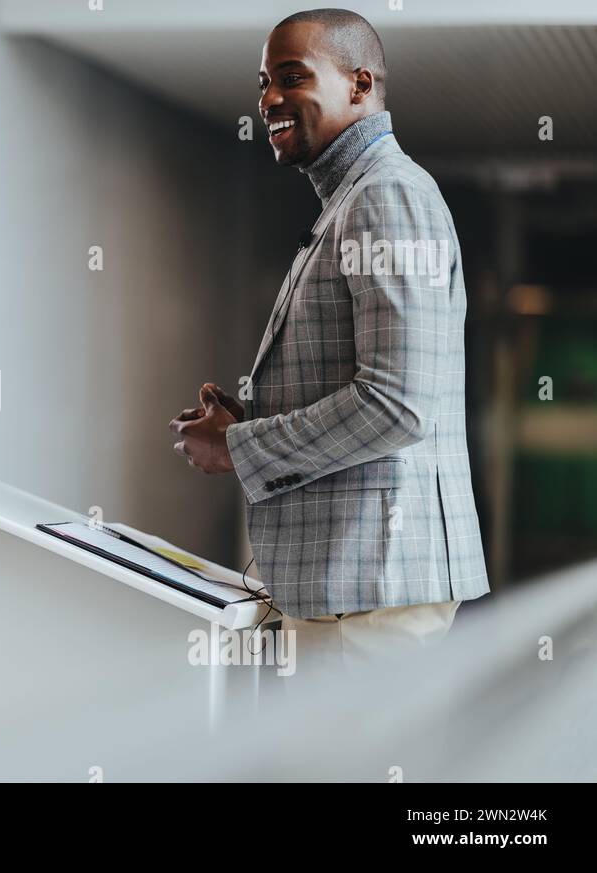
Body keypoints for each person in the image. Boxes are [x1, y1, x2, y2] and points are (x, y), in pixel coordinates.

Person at [169, 8, 489, 681]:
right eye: (263, 83)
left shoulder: (387, 196)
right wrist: (247, 422)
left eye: (292, 77)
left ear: (360, 83)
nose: (269, 100)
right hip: (355, 593)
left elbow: (397, 405)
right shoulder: (352, 201)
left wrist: (239, 448)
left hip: (371, 594)